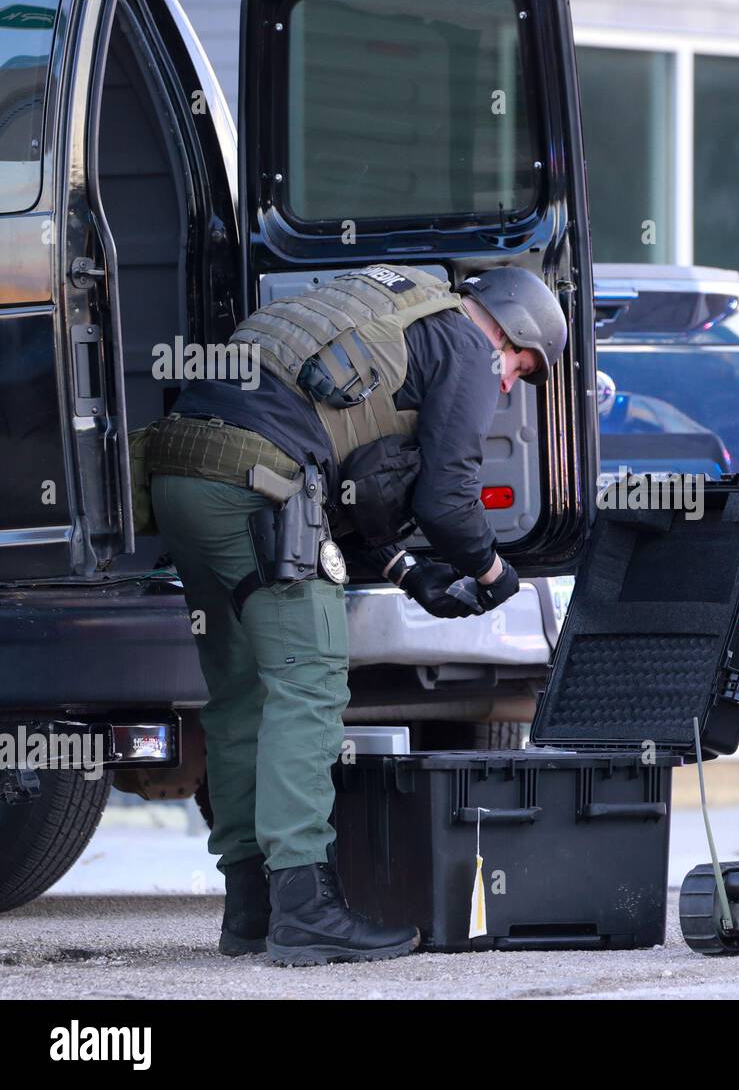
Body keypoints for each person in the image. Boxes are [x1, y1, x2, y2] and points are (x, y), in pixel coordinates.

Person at [143, 264, 566, 966]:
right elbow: (448, 500)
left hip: (181, 471)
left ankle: (250, 907)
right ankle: (305, 909)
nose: (510, 383)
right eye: (523, 368)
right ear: (511, 330)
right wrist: (496, 574)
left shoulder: (381, 306)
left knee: (242, 690)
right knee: (306, 682)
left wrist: (406, 569)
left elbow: (357, 477)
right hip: (256, 480)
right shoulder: (466, 343)